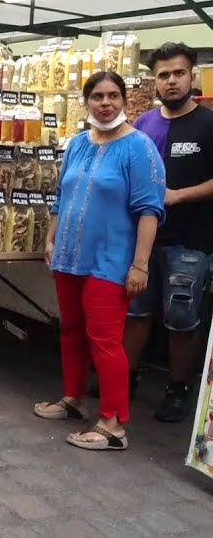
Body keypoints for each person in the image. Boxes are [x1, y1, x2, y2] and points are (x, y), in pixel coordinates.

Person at [36, 71, 165, 450]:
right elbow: (62, 196)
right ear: (86, 102)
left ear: (123, 100)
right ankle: (74, 398)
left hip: (110, 262)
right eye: (97, 96)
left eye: (112, 96)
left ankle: (113, 425)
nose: (105, 103)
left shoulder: (139, 147)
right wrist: (51, 236)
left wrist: (140, 265)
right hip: (69, 257)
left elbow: (150, 211)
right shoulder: (77, 144)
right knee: (71, 330)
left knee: (106, 340)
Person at [126, 42, 213, 423]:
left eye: (179, 73)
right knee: (136, 312)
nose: (171, 81)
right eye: (163, 75)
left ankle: (178, 389)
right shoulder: (143, 124)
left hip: (189, 243)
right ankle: (125, 378)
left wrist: (178, 195)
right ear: (154, 80)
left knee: (181, 318)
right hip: (144, 241)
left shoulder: (208, 124)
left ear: (192, 76)